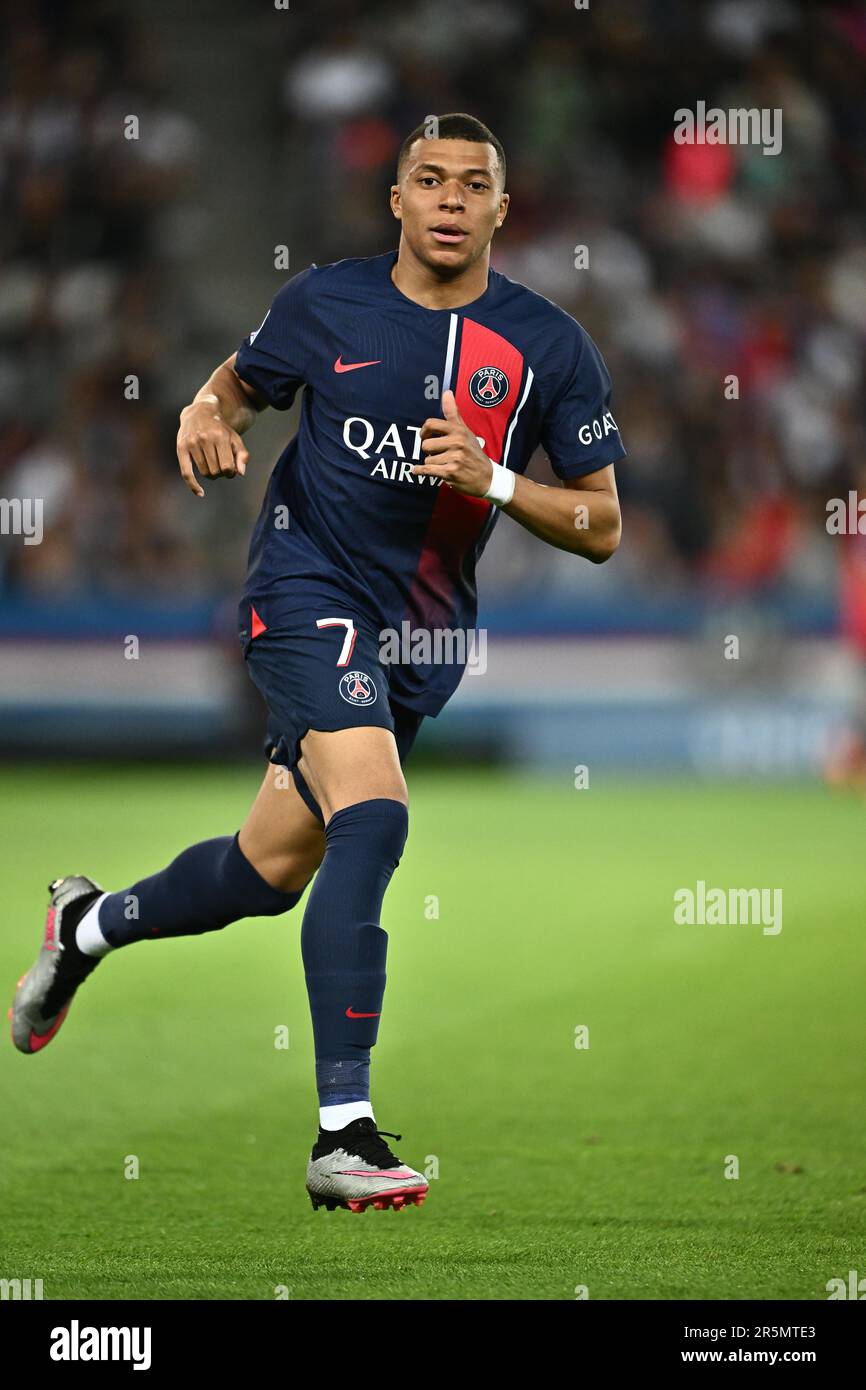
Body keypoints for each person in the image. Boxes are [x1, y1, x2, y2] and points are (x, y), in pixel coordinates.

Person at [10, 113, 625, 1214]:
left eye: (469, 184)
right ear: (394, 199)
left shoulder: (549, 346)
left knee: (266, 869)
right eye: (425, 180)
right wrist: (201, 414)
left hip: (419, 636)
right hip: (304, 593)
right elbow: (236, 384)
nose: (447, 199)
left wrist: (491, 482)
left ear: (500, 208)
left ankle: (85, 925)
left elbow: (600, 524)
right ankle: (341, 1131)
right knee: (374, 817)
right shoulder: (324, 304)